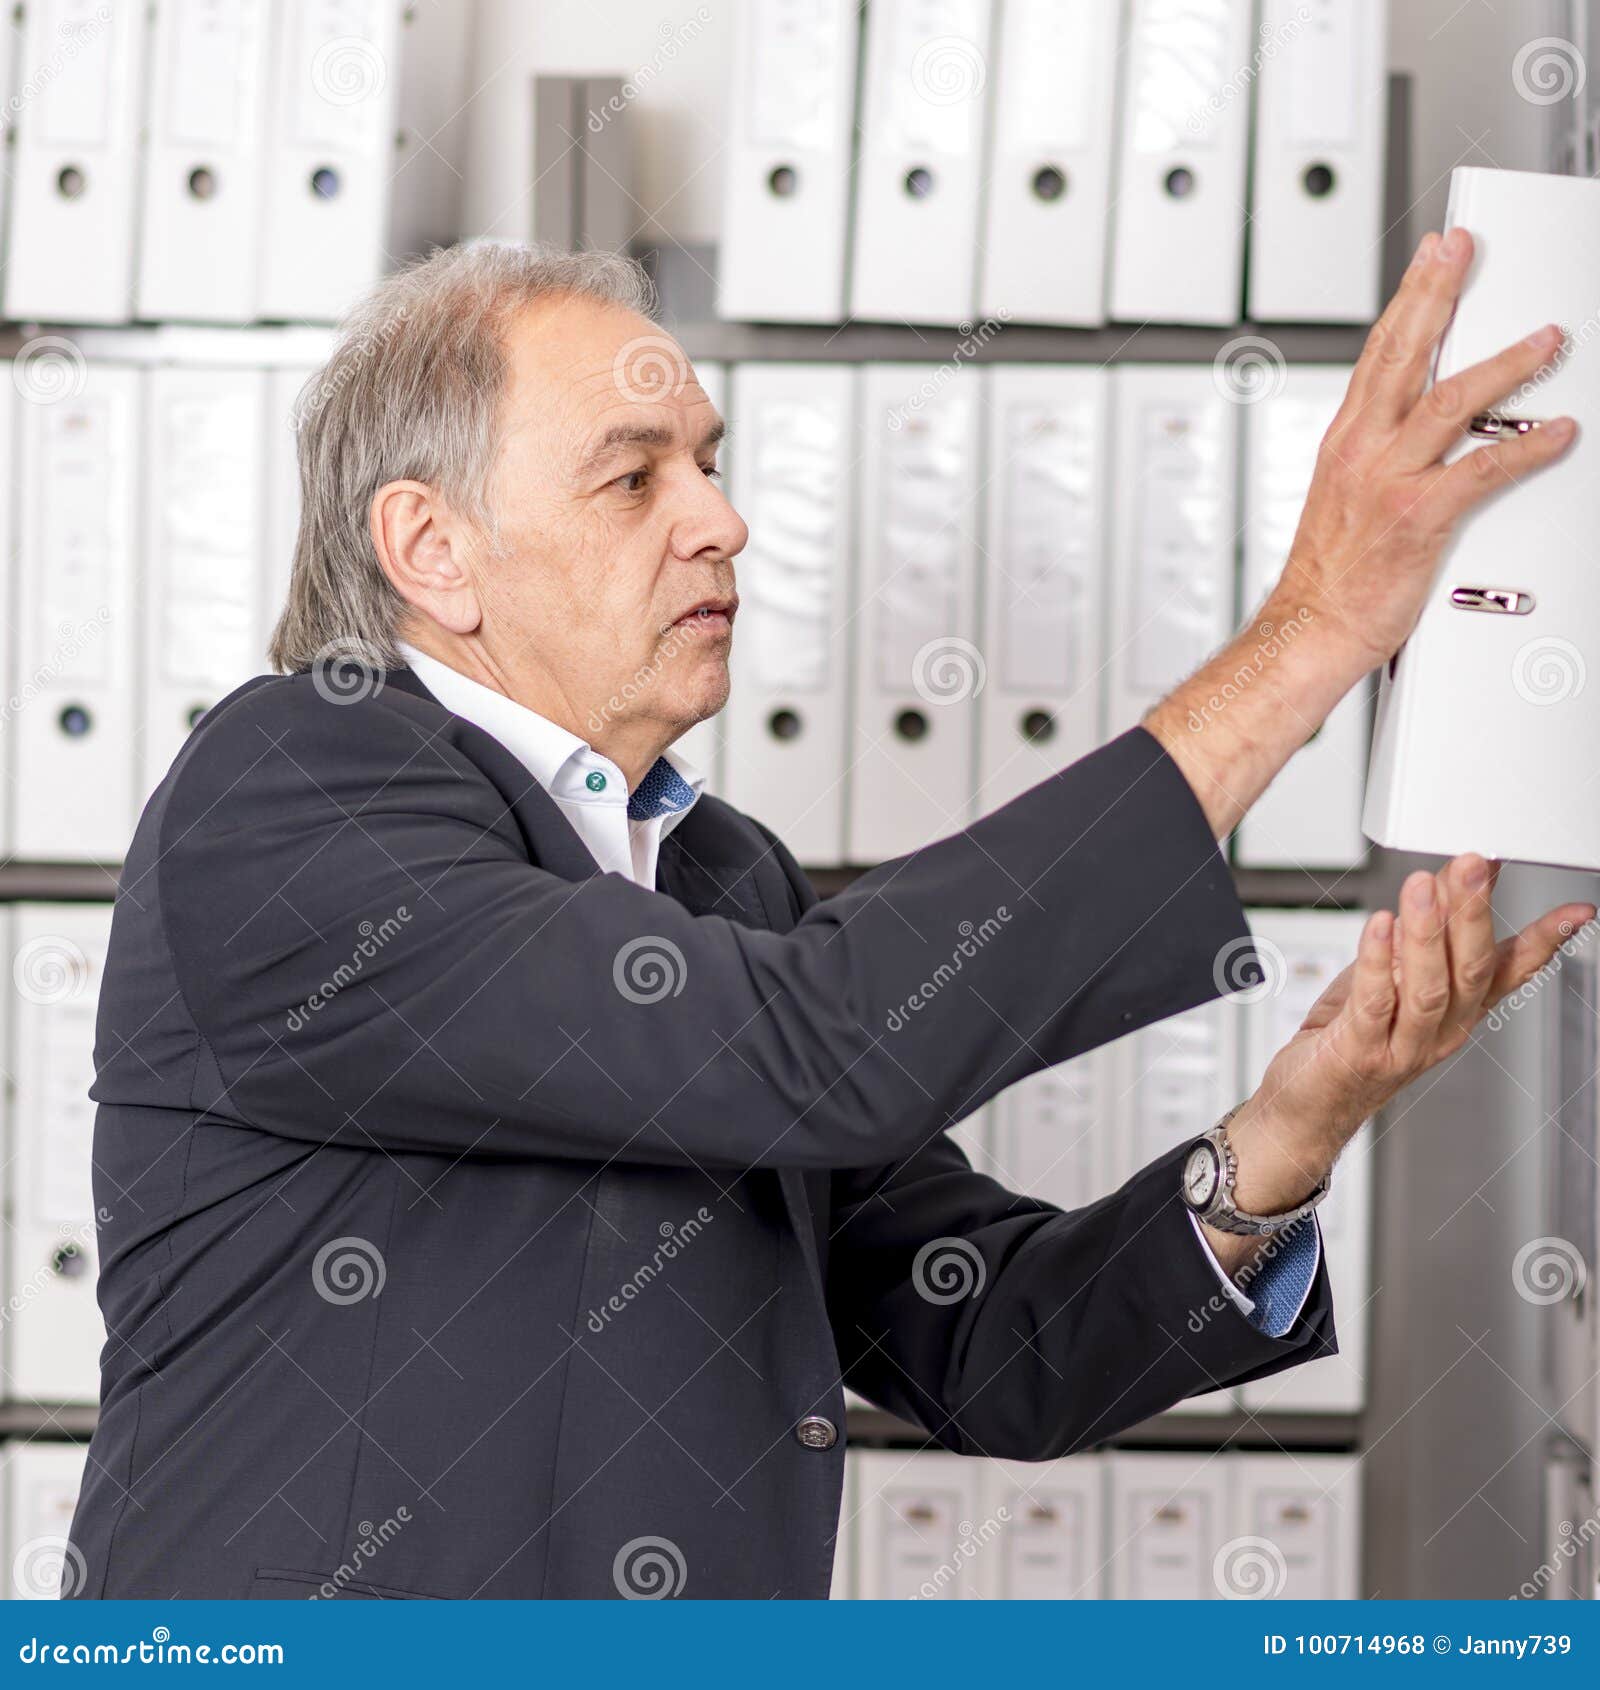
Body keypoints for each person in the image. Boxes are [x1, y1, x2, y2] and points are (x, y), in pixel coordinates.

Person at [70, 231, 1591, 1598]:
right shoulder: (290, 793)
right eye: (635, 474)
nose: (724, 520)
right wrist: (1315, 631)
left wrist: (1289, 1128)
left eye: (711, 463)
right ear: (433, 550)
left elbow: (994, 1345)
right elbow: (821, 1043)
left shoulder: (724, 873)